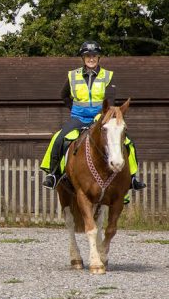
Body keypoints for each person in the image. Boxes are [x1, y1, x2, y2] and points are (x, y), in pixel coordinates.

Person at [40, 40, 146, 190]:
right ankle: (54, 174)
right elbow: (63, 95)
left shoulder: (107, 76)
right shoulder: (73, 75)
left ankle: (133, 177)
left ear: (99, 58)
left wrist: (105, 116)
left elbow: (110, 100)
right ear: (83, 58)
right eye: (88, 55)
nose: (91, 58)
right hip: (78, 118)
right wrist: (73, 109)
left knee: (129, 142)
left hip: (99, 118)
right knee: (58, 138)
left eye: (94, 56)